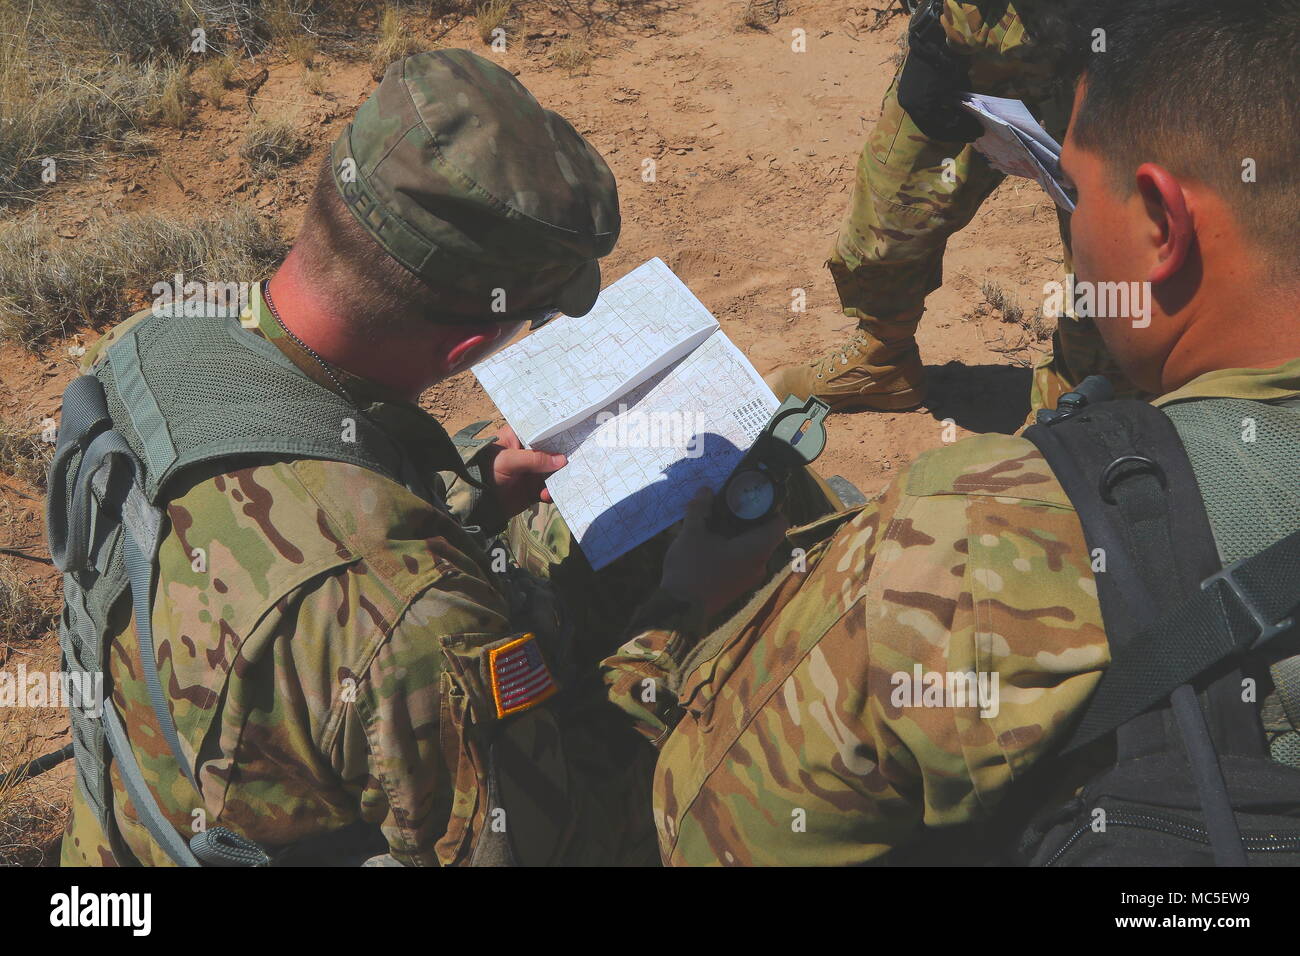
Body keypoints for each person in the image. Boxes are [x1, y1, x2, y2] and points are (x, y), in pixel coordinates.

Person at [601, 0, 1300, 864]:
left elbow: (701, 828)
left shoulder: (967, 539)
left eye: (1070, 188)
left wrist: (681, 619)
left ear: (1161, 225)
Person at [58, 49, 669, 867]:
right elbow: (536, 848)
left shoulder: (151, 352)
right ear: (469, 343)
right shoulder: (407, 618)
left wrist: (471, 490)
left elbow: (269, 531)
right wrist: (673, 637)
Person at [763, 0, 1131, 415]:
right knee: (893, 205)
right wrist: (935, 36)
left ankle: (1083, 406)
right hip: (968, 37)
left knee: (1111, 251)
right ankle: (884, 362)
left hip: (1111, 45)